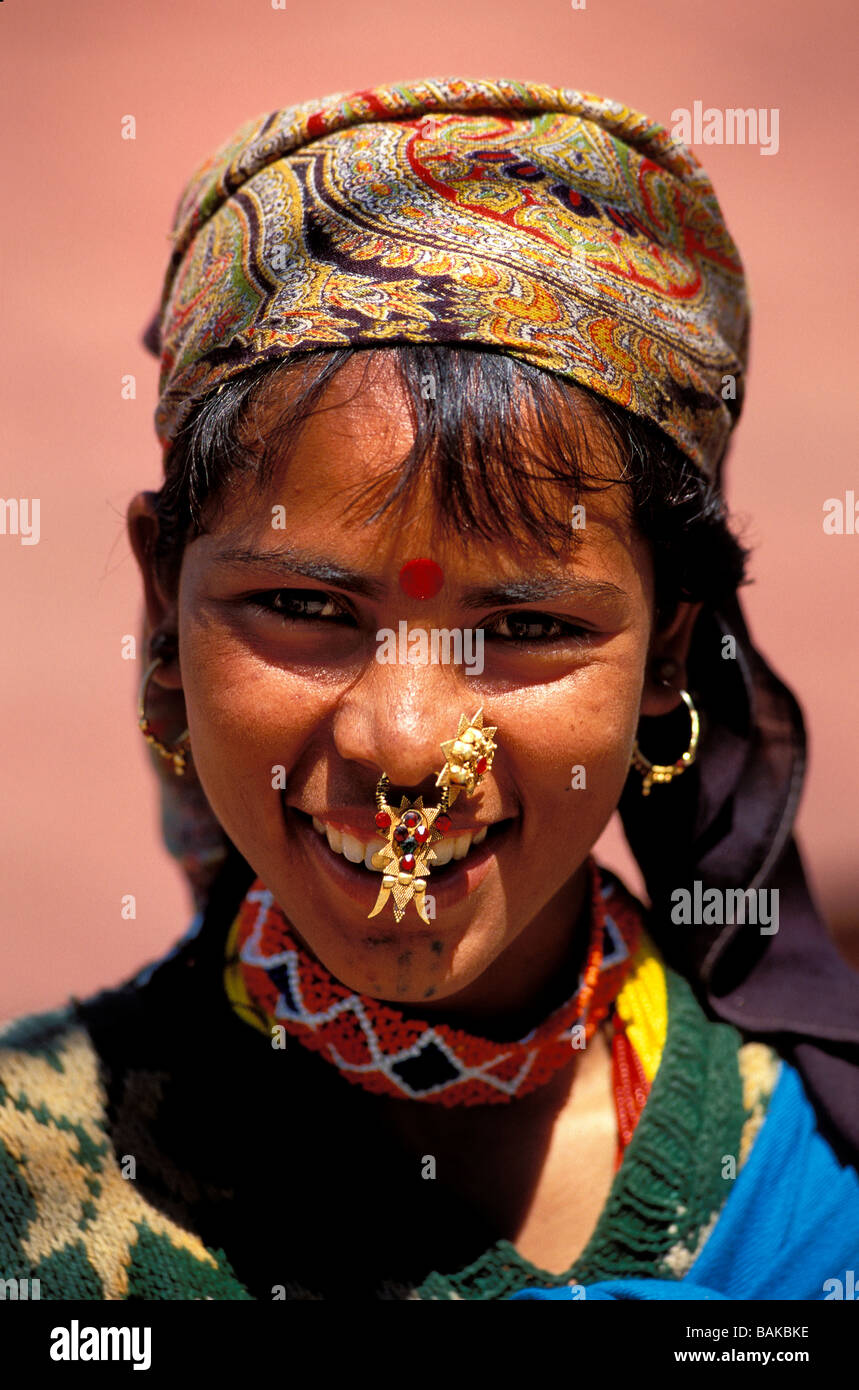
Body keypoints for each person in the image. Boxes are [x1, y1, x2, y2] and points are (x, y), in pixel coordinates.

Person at [1, 76, 857, 1302]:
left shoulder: (816, 1202)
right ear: (161, 611)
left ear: (669, 658)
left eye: (524, 626)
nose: (404, 744)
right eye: (304, 608)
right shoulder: (31, 1190)